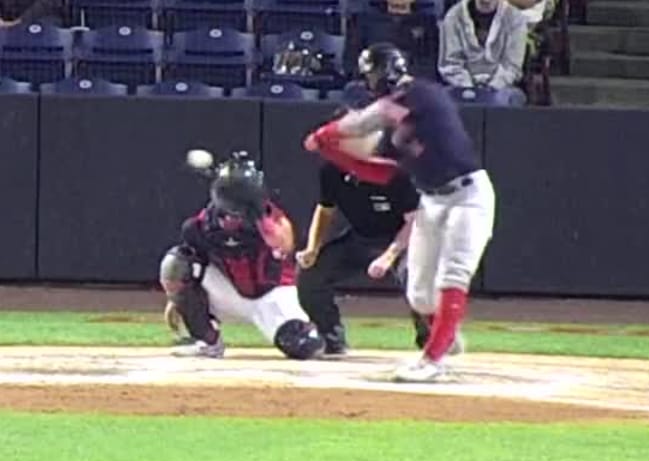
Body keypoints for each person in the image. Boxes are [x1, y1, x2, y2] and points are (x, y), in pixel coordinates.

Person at [303, 42, 496, 383]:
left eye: (373, 73)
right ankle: (445, 336)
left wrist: (323, 136)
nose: (372, 80)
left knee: (454, 275)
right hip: (431, 201)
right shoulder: (396, 130)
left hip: (468, 195)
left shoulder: (421, 93)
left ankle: (433, 359)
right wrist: (333, 155)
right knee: (420, 294)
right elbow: (379, 173)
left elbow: (363, 122)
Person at [296, 56, 426, 356]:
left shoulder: (393, 167)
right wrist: (313, 247)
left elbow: (415, 221)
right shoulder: (331, 170)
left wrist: (390, 255)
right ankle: (331, 336)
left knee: (417, 277)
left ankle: (430, 343)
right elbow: (325, 209)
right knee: (312, 275)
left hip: (403, 240)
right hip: (360, 238)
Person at [159, 151, 325, 361]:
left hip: (271, 294)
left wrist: (256, 215)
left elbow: (284, 244)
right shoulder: (200, 225)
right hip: (229, 292)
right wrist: (177, 300)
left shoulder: (270, 218)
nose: (232, 220)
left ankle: (318, 331)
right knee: (175, 264)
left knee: (304, 346)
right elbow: (190, 267)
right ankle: (208, 341)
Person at [441, 0, 529, 104]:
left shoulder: (515, 19)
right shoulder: (453, 16)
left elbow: (512, 66)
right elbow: (450, 63)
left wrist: (491, 88)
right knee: (444, 100)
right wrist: (469, 88)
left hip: (501, 87)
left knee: (503, 100)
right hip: (460, 85)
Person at [351, 0, 439, 94]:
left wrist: (409, 77)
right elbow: (353, 55)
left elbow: (430, 60)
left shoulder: (426, 24)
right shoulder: (366, 21)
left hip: (411, 85)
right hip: (372, 83)